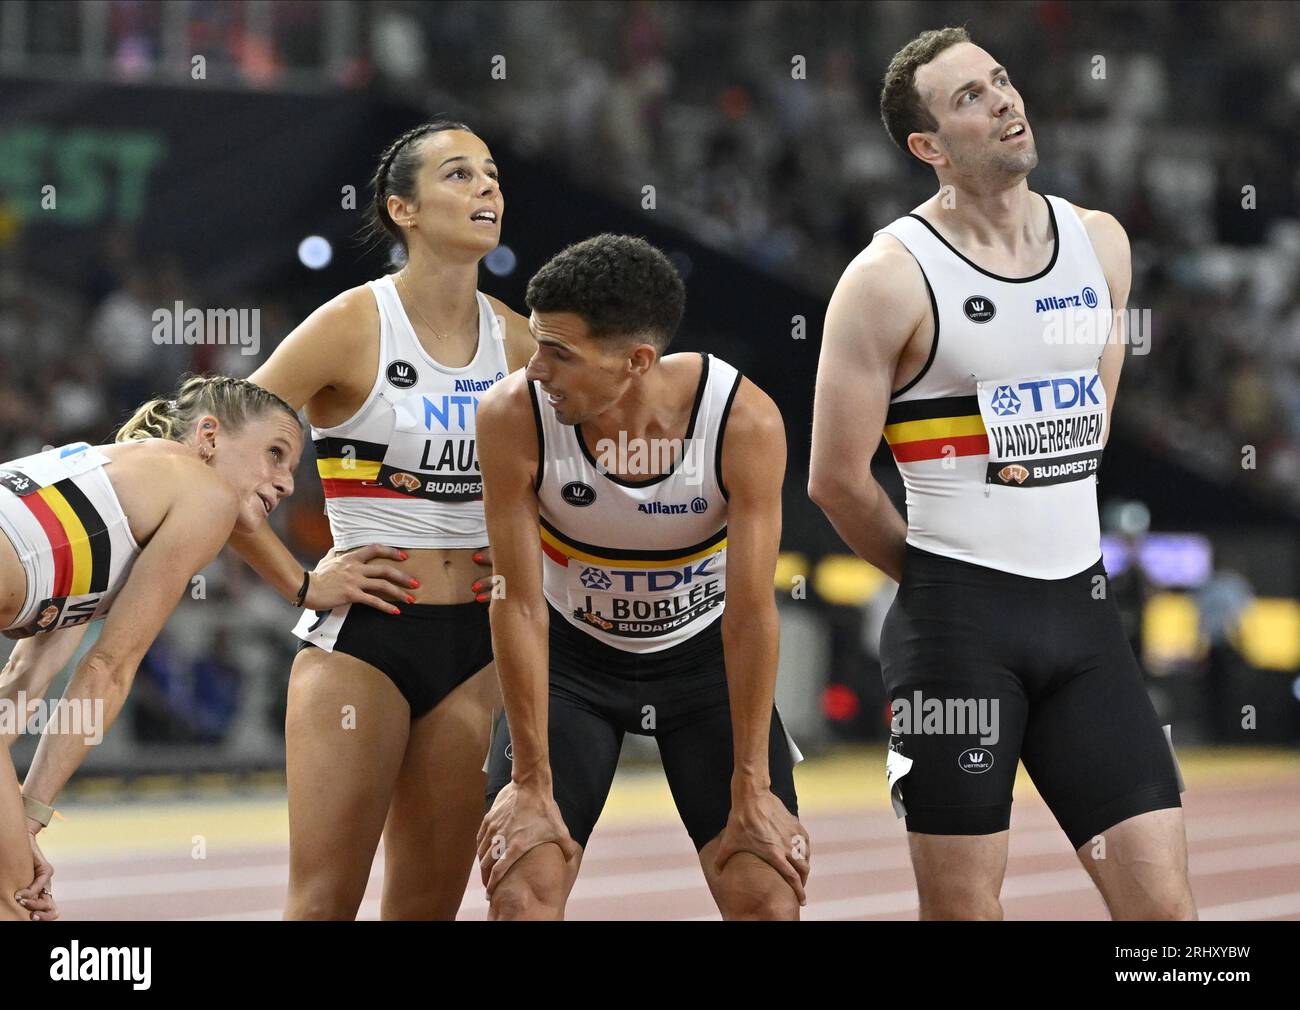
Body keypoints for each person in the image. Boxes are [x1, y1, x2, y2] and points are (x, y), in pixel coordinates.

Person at [809, 27, 1196, 920]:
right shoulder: (888, 278)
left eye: (1001, 81)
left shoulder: (1100, 245)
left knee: (1168, 919)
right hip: (957, 637)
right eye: (970, 98)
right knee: (964, 914)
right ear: (927, 147)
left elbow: (1091, 424)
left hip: (1085, 621)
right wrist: (945, 584)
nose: (1005, 101)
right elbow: (835, 478)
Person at [231, 120, 535, 919]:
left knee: (427, 908)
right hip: (366, 640)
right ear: (403, 208)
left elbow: (562, 490)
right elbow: (219, 458)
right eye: (460, 175)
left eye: (493, 175)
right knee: (324, 902)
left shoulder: (518, 340)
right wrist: (300, 581)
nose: (487, 188)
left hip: (477, 649)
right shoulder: (352, 323)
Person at [475, 233, 809, 920]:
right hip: (571, 667)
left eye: (559, 353)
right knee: (521, 892)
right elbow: (517, 604)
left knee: (767, 897)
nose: (535, 367)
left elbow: (750, 615)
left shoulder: (743, 421)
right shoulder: (513, 415)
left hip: (703, 665)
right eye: (537, 344)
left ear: (637, 361)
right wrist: (530, 780)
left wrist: (753, 785)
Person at [0, 374, 304, 921]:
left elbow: (23, 680)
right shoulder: (203, 493)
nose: (284, 482)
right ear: (208, 435)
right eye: (275, 454)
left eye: (291, 469)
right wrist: (22, 829)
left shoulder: (107, 491)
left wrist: (19, 822)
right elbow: (108, 668)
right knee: (17, 901)